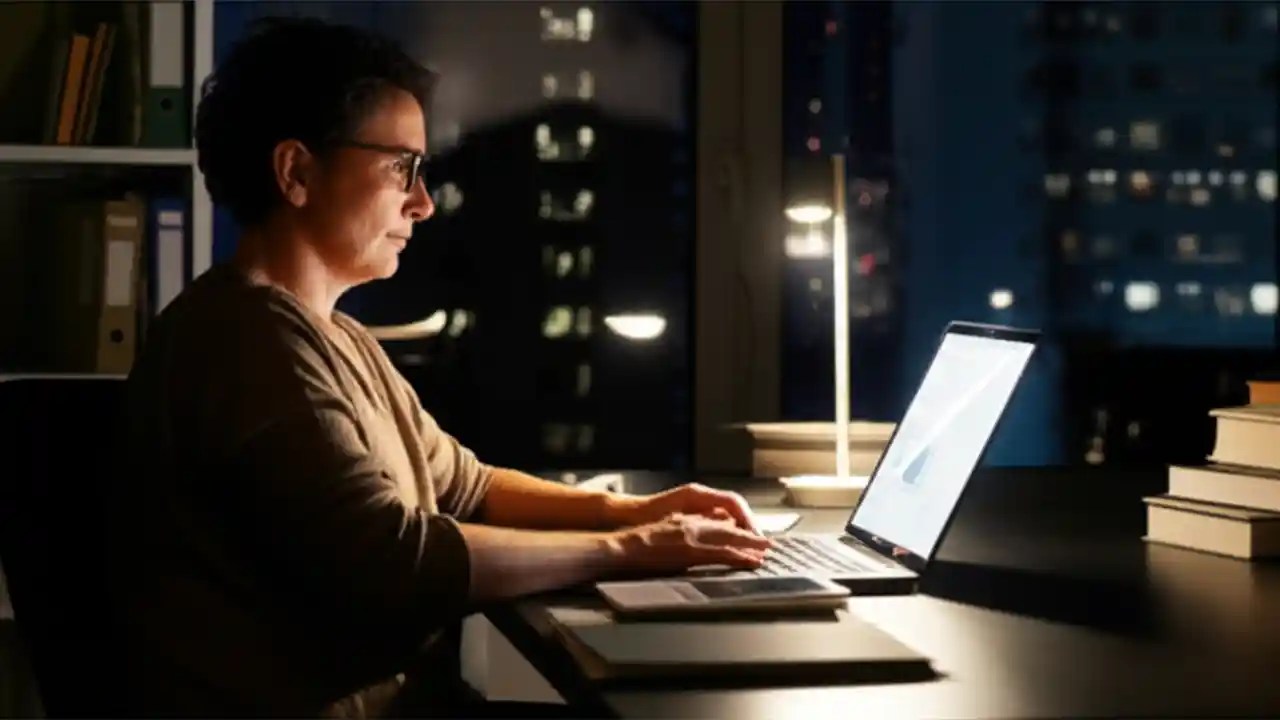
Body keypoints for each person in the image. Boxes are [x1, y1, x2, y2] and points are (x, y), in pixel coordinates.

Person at [111, 16, 770, 719]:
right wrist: (627, 547)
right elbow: (398, 561)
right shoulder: (250, 340)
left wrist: (638, 510)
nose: (422, 203)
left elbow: (467, 486)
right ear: (297, 171)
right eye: (403, 168)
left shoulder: (333, 336)